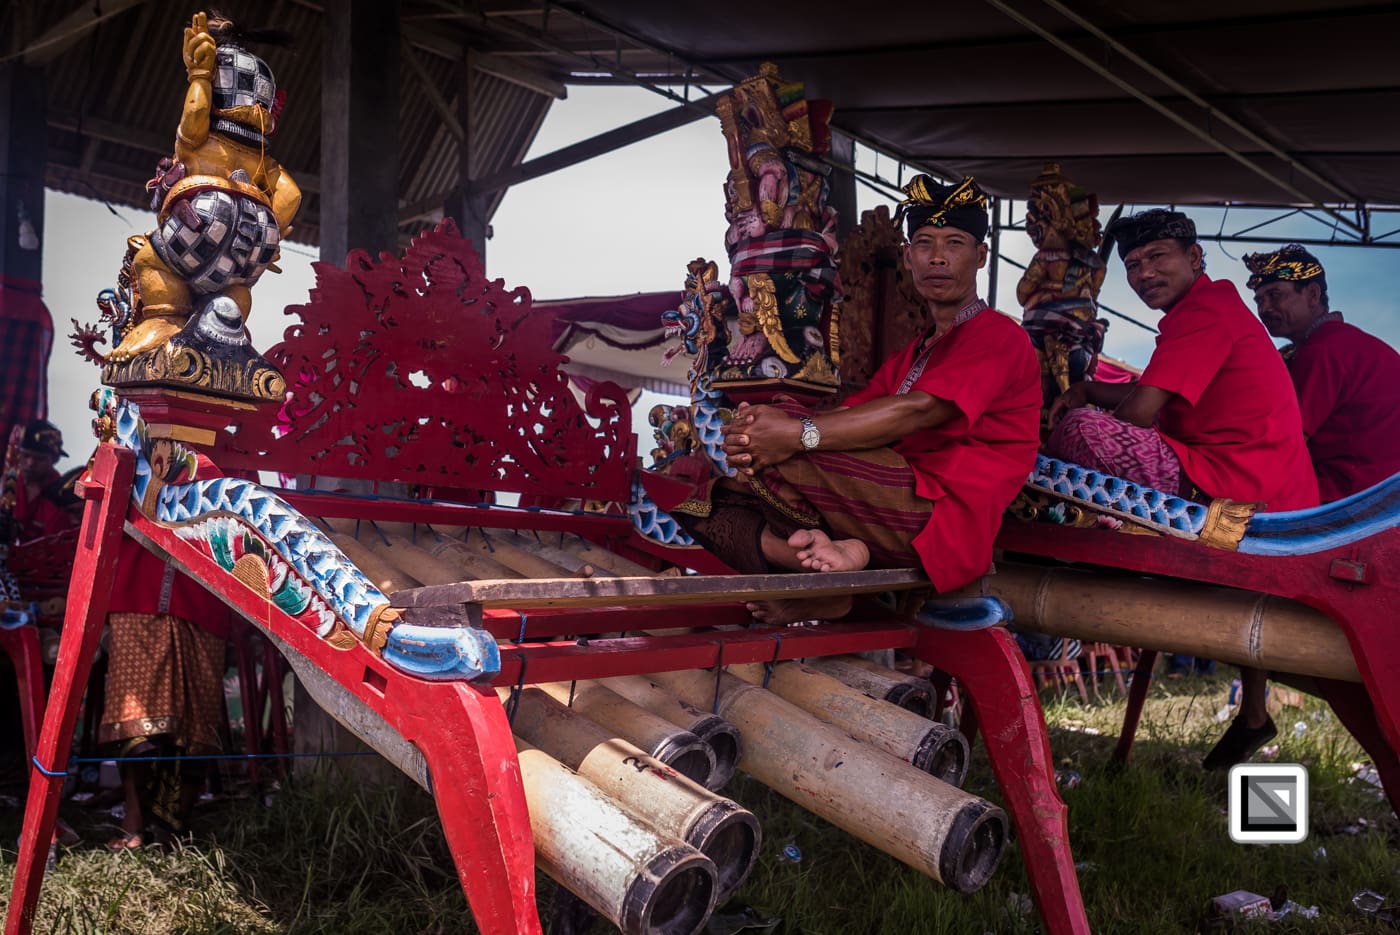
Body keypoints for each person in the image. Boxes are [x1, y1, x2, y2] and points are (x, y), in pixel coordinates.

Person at [664, 175, 1042, 623]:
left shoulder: (1000, 336)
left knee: (786, 432)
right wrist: (763, 424)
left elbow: (916, 410)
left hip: (940, 518)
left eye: (954, 243)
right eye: (924, 243)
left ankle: (846, 556)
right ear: (908, 255)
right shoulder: (914, 351)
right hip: (881, 499)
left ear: (980, 256)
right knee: (706, 507)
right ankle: (829, 562)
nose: (937, 256)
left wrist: (792, 432)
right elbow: (849, 414)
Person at [1044, 209, 1319, 770]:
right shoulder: (1204, 311)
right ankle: (1253, 716)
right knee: (1083, 423)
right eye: (1134, 264)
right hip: (1257, 483)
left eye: (1158, 257)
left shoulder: (1205, 313)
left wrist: (1081, 402)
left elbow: (1141, 414)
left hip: (1241, 495)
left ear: (1195, 258)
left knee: (1078, 434)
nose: (1144, 273)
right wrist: (1090, 389)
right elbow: (1150, 394)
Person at [1245, 243, 1400, 502]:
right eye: (1259, 300)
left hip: (1347, 498)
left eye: (1275, 295)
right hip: (1383, 495)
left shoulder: (1322, 351)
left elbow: (1284, 445)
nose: (1265, 309)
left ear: (1313, 295)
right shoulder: (1351, 343)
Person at [8, 420, 80, 542]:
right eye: (25, 456)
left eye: (39, 459)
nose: (30, 463)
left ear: (55, 459)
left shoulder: (61, 497)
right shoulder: (9, 483)